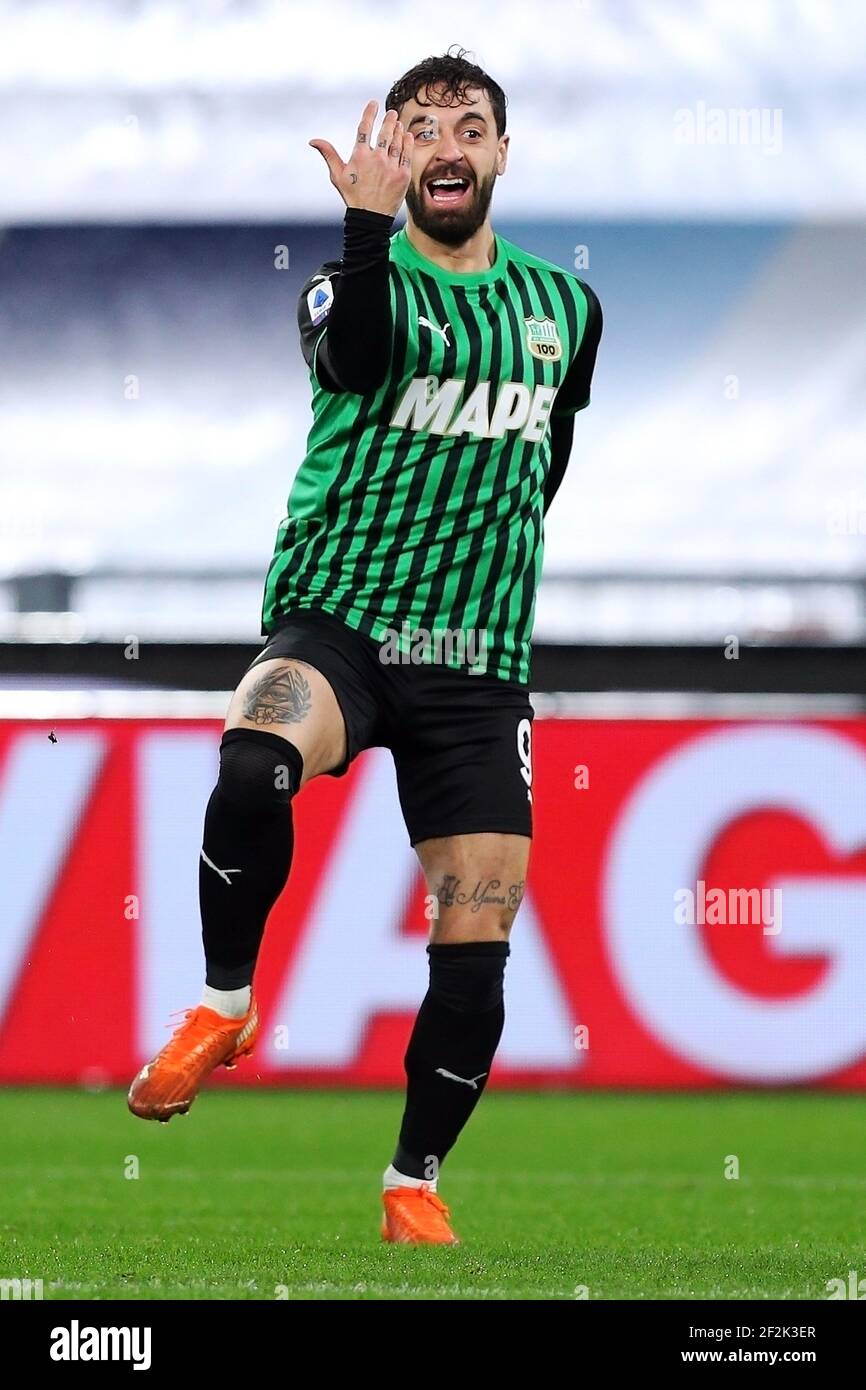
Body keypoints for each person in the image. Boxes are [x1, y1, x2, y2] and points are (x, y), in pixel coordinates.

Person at [128, 46, 602, 1247]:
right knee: (251, 756)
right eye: (420, 126)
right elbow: (356, 360)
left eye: (468, 125)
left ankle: (412, 1183)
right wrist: (358, 223)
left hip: (476, 659)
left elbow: (545, 460)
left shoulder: (565, 309)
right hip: (342, 619)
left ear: (502, 151)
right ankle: (224, 1006)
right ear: (394, 152)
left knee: (477, 927)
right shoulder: (347, 283)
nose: (446, 144)